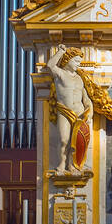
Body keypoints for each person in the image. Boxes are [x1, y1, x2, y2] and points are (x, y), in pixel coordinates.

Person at [46, 45, 91, 174]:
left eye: (79, 62)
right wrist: (60, 52)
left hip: (79, 113)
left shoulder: (79, 78)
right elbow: (50, 66)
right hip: (64, 111)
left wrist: (89, 110)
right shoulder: (60, 73)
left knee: (76, 142)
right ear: (68, 59)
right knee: (63, 139)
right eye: (76, 61)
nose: (78, 64)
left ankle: (72, 164)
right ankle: (62, 163)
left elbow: (85, 97)